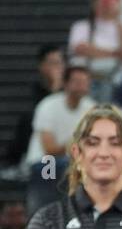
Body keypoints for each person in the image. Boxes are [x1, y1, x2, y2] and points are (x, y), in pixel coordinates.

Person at [26, 61, 95, 214]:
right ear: (65, 83)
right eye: (77, 82)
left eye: (85, 82)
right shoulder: (48, 106)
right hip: (44, 162)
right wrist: (76, 145)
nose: (81, 86)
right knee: (63, 168)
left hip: (75, 162)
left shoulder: (91, 108)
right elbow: (49, 149)